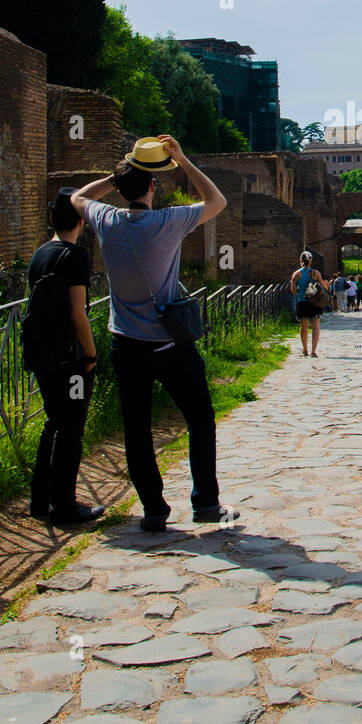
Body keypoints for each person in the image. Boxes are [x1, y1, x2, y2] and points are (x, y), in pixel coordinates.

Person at [71, 136, 228, 533]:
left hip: (126, 343)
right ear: (154, 185)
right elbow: (217, 201)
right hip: (171, 343)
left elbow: (76, 198)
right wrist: (181, 158)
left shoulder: (107, 220)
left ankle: (154, 509)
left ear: (123, 189)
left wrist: (124, 171)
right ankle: (206, 502)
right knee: (200, 418)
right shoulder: (168, 222)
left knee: (136, 425)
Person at [25, 188, 105, 526]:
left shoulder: (40, 254)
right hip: (69, 360)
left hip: (41, 355)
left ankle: (41, 500)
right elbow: (77, 314)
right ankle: (65, 505)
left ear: (51, 219)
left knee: (54, 422)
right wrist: (90, 354)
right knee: (71, 427)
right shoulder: (76, 257)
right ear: (82, 220)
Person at [290, 250, 328, 358]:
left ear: (300, 260)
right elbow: (323, 288)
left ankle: (305, 350)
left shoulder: (296, 274)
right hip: (315, 303)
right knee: (316, 327)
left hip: (302, 302)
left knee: (303, 327)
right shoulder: (315, 273)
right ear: (311, 261)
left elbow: (293, 292)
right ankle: (313, 351)